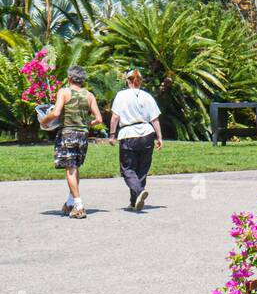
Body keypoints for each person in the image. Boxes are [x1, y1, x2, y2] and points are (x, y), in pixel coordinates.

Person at [39, 65, 104, 219]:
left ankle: (79, 205)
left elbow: (56, 112)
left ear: (69, 78)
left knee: (70, 169)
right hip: (82, 135)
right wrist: (87, 124)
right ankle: (70, 203)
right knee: (75, 167)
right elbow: (99, 119)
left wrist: (44, 121)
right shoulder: (89, 95)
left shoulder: (64, 92)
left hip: (67, 134)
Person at [108, 69, 164, 211]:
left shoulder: (121, 95)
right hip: (147, 134)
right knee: (142, 169)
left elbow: (115, 117)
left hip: (128, 134)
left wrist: (112, 134)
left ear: (127, 81)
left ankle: (139, 192)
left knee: (127, 169)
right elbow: (155, 119)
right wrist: (159, 137)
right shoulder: (147, 96)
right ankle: (135, 202)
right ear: (140, 81)